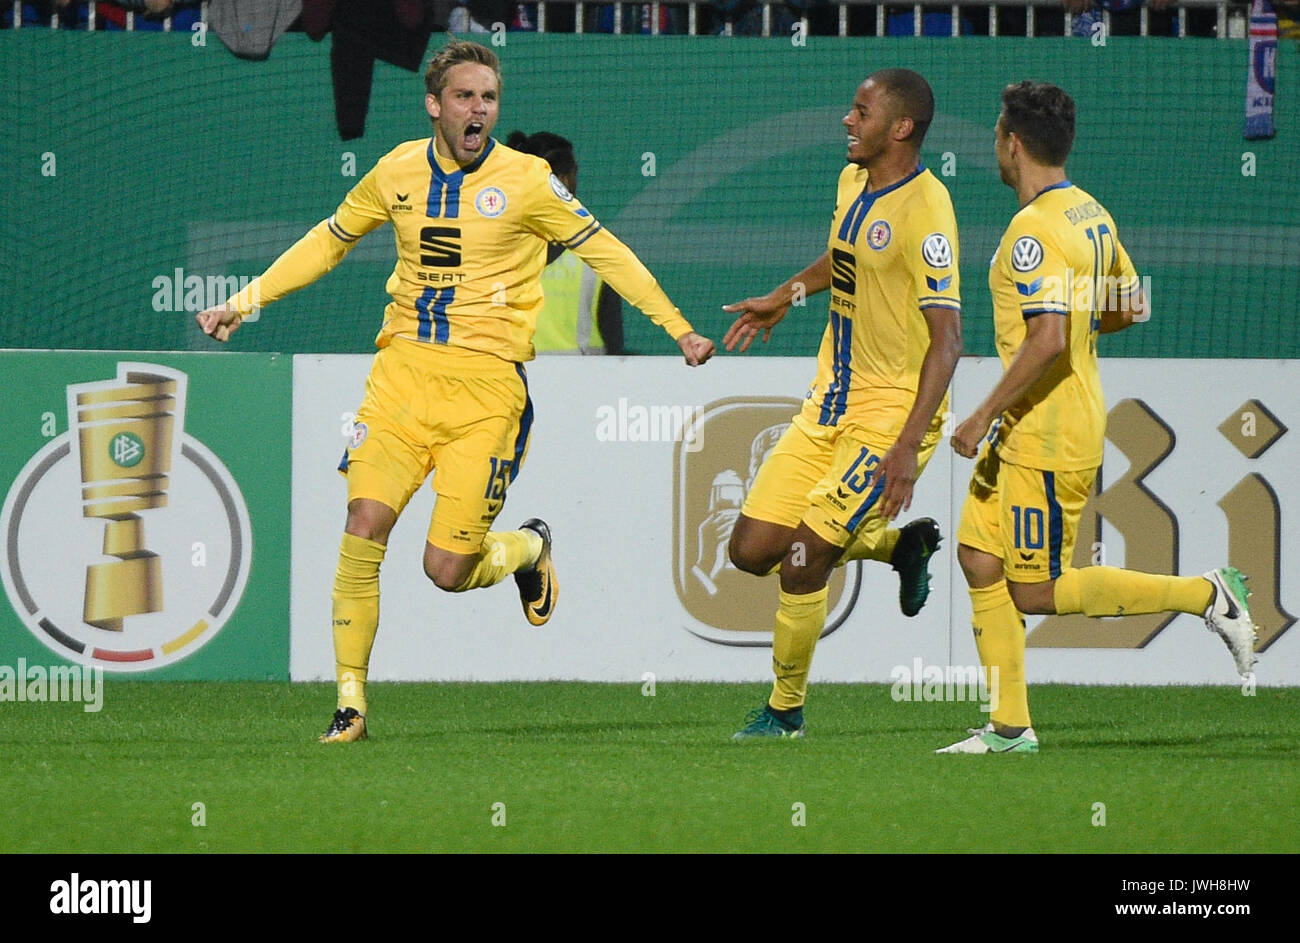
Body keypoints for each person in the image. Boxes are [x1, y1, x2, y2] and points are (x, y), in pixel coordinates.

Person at [197, 40, 714, 743]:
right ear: (435, 105)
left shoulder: (529, 180)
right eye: (466, 97)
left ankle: (528, 550)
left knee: (447, 568)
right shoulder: (396, 171)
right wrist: (245, 299)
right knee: (362, 528)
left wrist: (679, 327)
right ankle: (350, 705)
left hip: (485, 395)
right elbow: (329, 239)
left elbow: (605, 248)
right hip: (401, 379)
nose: (479, 110)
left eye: (490, 98)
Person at [940, 81, 1257, 755]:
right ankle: (1009, 727)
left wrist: (979, 415)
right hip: (1036, 424)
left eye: (997, 135)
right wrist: (1074, 328)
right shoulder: (1092, 214)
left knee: (1033, 591)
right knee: (976, 555)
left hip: (1045, 432)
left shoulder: (1033, 230)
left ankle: (1206, 593)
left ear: (1012, 142)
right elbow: (1131, 304)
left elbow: (1049, 338)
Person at [721, 69, 963, 739]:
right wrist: (786, 295)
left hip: (889, 416)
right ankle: (897, 550)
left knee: (802, 561)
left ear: (901, 127)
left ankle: (784, 712)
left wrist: (908, 445)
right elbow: (840, 260)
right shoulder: (852, 181)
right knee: (750, 550)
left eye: (861, 110)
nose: (848, 120)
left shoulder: (928, 211)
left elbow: (949, 341)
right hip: (828, 404)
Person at [505, 130, 624, 355]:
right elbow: (613, 337)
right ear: (563, 180)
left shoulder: (495, 247)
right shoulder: (597, 248)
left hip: (513, 379)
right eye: (575, 172)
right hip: (583, 383)